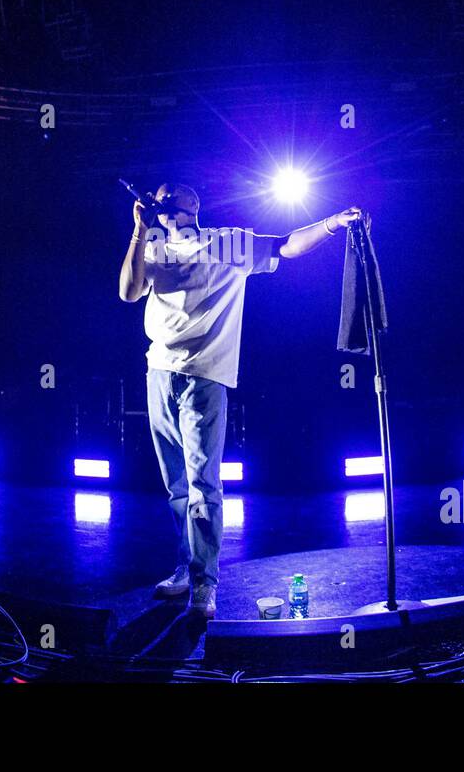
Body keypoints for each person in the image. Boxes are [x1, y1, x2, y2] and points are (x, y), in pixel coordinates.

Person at [118, 182, 361, 618]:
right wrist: (138, 232)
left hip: (205, 378)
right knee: (177, 486)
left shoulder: (227, 244)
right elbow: (129, 292)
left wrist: (330, 225)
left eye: (173, 201)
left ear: (191, 206)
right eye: (160, 202)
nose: (165, 207)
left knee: (203, 486)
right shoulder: (153, 247)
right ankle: (185, 566)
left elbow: (285, 246)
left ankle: (204, 583)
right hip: (159, 372)